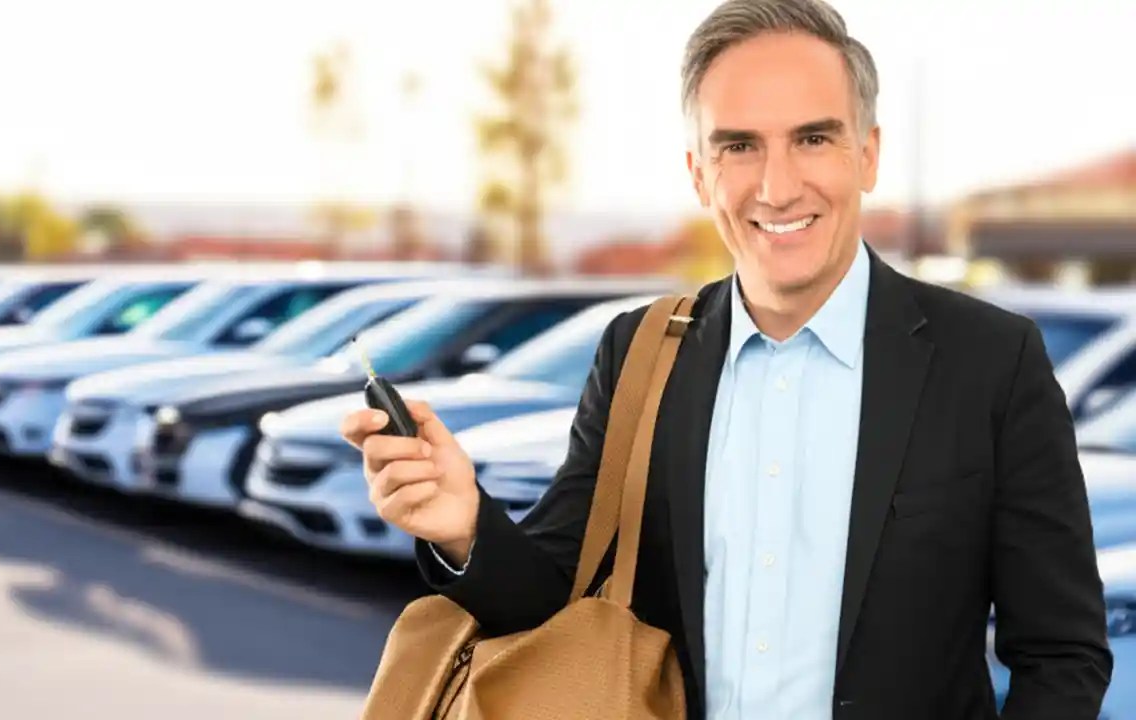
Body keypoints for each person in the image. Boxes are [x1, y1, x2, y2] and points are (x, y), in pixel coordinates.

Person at [340, 0, 1113, 717]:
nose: (777, 187)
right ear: (699, 174)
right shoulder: (640, 354)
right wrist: (464, 524)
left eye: (814, 138)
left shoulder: (991, 361)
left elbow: (1061, 654)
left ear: (867, 155)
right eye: (739, 146)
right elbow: (556, 601)